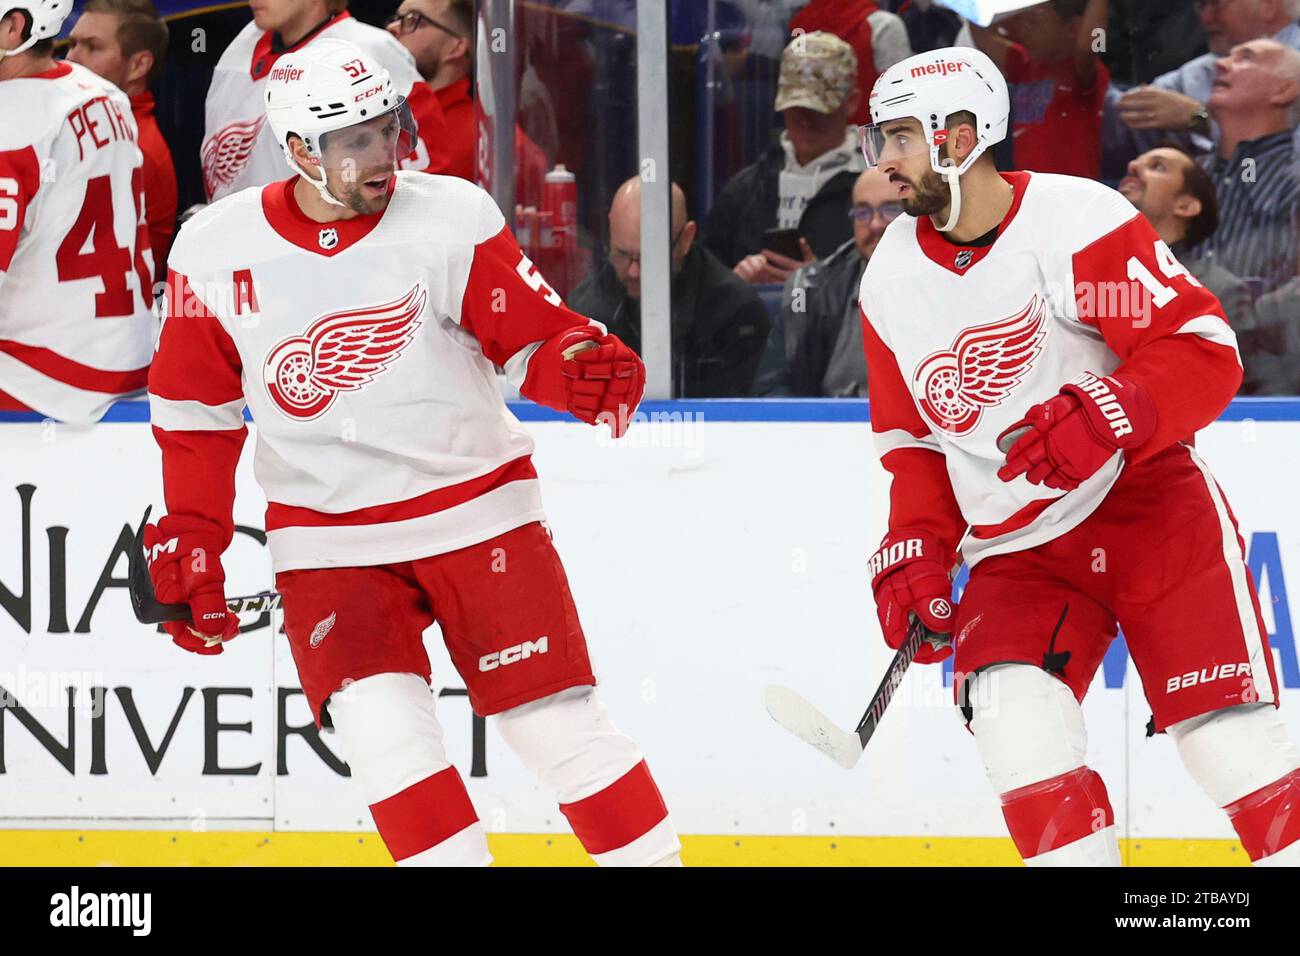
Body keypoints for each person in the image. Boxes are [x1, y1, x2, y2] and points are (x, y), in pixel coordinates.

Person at [145, 40, 681, 868]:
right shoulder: (212, 252)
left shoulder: (451, 215)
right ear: (296, 152)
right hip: (328, 541)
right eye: (351, 141)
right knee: (388, 743)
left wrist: (572, 362)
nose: (380, 155)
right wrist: (192, 534)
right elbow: (195, 416)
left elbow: (528, 336)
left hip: (477, 512)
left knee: (558, 730)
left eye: (384, 128)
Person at [858, 46, 1299, 866]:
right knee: (1019, 736)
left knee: (1233, 747)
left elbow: (1202, 351)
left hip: (1147, 509)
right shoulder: (889, 276)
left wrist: (1109, 408)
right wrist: (917, 546)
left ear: (958, 137)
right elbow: (915, 442)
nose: (883, 161)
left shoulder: (1074, 221)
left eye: (898, 138)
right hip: (1018, 553)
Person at [0, 0, 155, 420]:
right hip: (131, 353)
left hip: (49, 375)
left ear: (14, 28)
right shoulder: (108, 94)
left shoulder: (10, 122)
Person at [201, 0, 450, 202]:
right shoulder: (237, 53)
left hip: (339, 252)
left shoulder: (370, 51)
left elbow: (424, 182)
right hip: (252, 244)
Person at [568, 177, 770, 397]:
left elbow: (745, 418)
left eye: (648, 257)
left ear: (686, 238)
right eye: (622, 254)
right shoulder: (584, 310)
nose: (633, 272)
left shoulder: (735, 311)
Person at [700, 31, 865, 285]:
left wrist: (820, 286)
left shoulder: (877, 188)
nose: (804, 119)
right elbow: (703, 283)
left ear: (851, 102)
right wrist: (735, 287)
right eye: (796, 106)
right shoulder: (745, 189)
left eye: (818, 108)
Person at [384, 0, 548, 208]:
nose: (392, 28)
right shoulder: (382, 121)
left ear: (456, 46)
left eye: (414, 20)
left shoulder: (487, 138)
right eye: (396, 18)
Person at [755, 167, 899, 397]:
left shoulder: (946, 285)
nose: (875, 224)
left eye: (890, 210)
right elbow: (771, 388)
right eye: (862, 212)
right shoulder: (807, 290)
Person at [66, 0, 176, 279]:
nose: (72, 59)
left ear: (139, 65)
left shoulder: (132, 150)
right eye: (72, 44)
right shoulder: (92, 128)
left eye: (92, 47)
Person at [1112, 0, 1300, 157]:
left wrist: (1199, 118)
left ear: (1268, 5)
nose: (1205, 18)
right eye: (1201, 5)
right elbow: (1119, 117)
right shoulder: (1206, 68)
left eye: (1216, 4)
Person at [1198, 39, 1300, 296]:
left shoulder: (1294, 181)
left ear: (1285, 90)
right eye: (1227, 56)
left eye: (1246, 58)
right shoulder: (1190, 174)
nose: (1220, 64)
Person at [1118, 145, 1254, 334]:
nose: (1132, 166)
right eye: (1135, 162)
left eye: (1157, 166)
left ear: (1186, 206)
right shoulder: (1083, 266)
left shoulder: (1217, 290)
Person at [969, 0, 1111, 179]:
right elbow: (980, 33)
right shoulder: (1025, 66)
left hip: (1073, 193)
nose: (1023, 31)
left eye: (1034, 22)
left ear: (1072, 28)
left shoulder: (1080, 72)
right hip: (1030, 190)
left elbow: (1089, 47)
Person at [788, 0, 913, 126]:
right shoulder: (884, 25)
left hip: (807, 133)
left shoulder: (799, 25)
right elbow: (900, 97)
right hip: (871, 136)